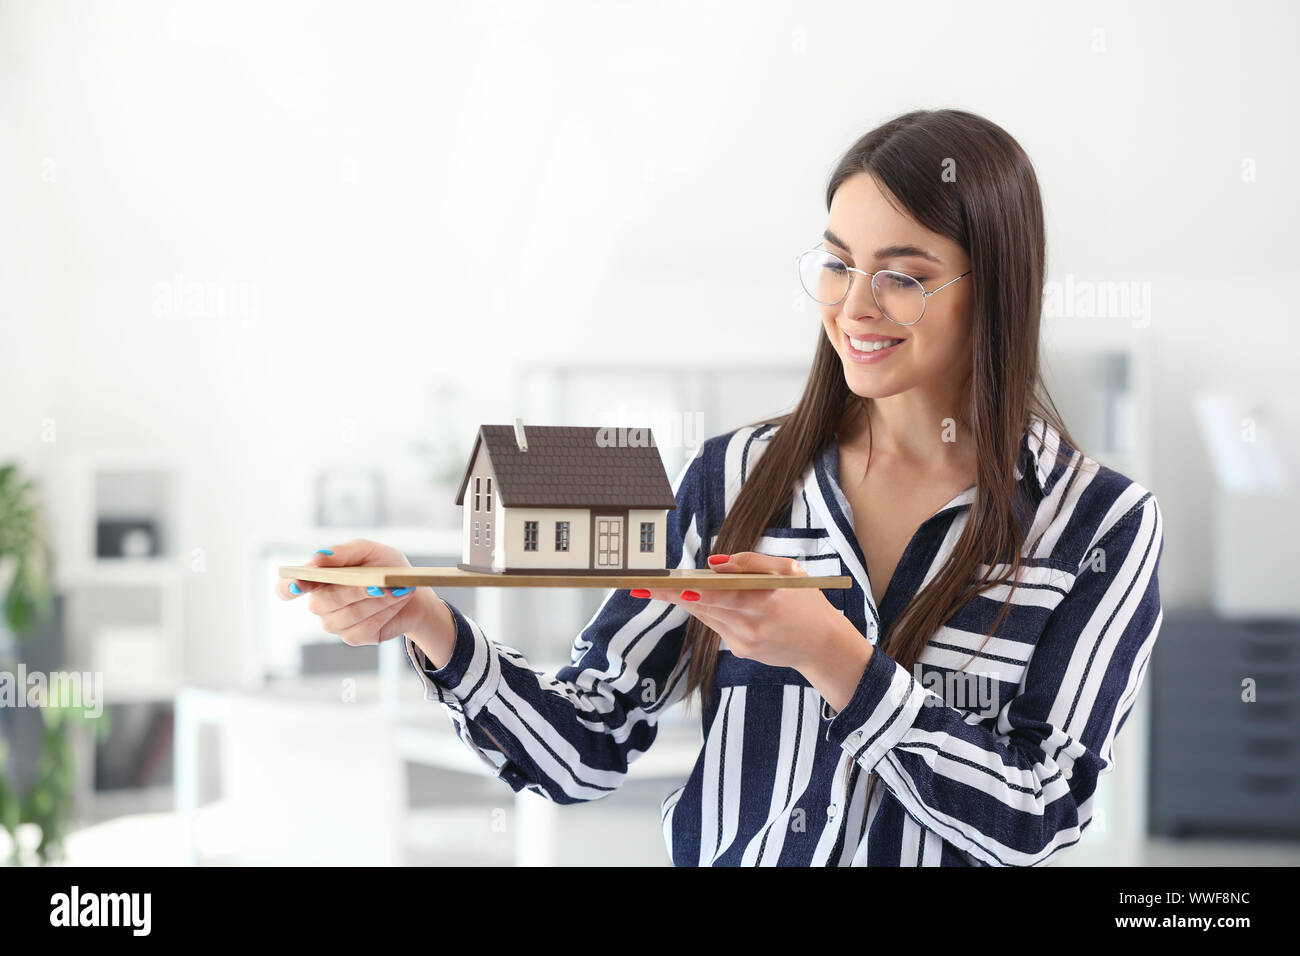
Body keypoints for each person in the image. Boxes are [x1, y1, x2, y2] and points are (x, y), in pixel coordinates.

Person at [277, 108, 1164, 866]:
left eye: (902, 277)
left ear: (997, 286)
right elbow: (585, 747)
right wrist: (426, 621)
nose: (854, 307)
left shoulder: (1098, 524)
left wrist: (835, 659)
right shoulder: (736, 478)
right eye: (836, 263)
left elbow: (1038, 815)